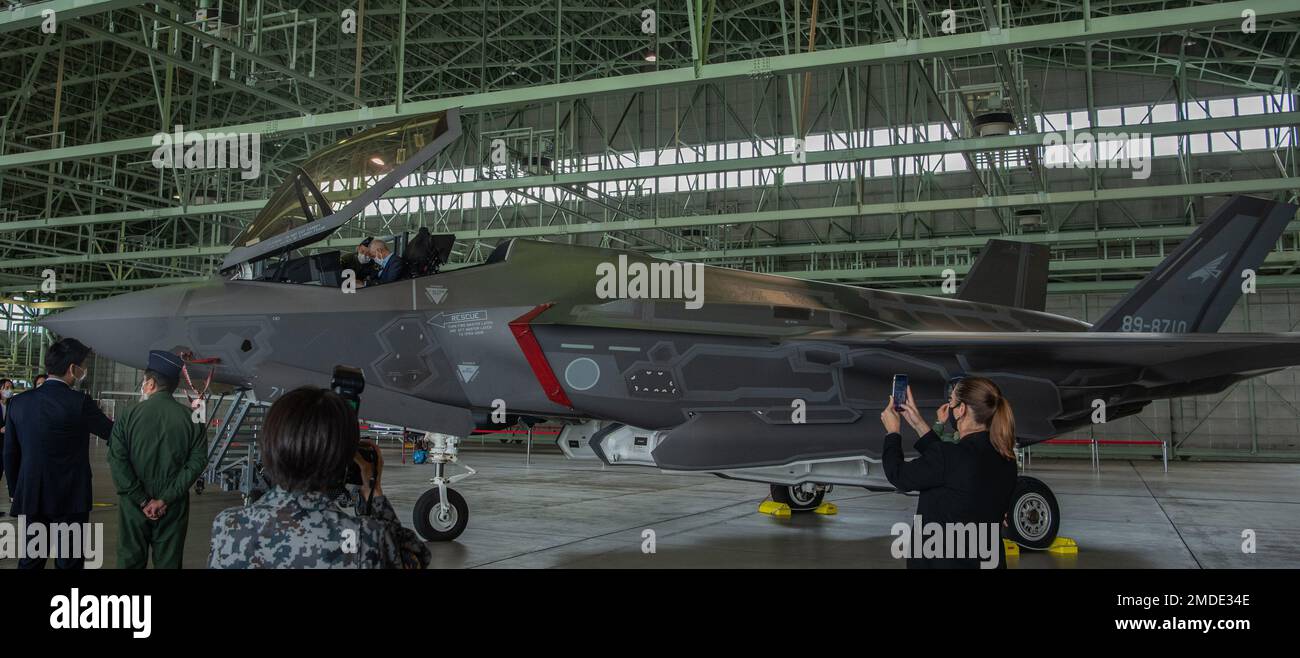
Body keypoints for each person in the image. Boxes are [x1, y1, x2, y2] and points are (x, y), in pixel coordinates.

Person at [208, 386, 430, 569]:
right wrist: (374, 492)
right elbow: (416, 559)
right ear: (343, 459)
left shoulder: (228, 526)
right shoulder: (365, 536)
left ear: (270, 446)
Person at [879, 376, 1018, 569]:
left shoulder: (950, 457)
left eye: (951, 402)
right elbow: (952, 466)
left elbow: (898, 475)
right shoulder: (1006, 458)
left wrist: (893, 433)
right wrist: (918, 423)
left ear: (961, 410)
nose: (949, 407)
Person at [3, 338, 114, 568]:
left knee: (31, 560)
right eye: (83, 366)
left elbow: (10, 453)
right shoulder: (80, 402)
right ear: (73, 369)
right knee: (69, 563)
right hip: (71, 497)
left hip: (32, 494)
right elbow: (112, 434)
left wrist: (16, 491)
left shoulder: (19, 403)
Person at [107, 351, 209, 568]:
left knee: (130, 561)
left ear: (151, 383)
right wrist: (165, 499)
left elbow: (117, 460)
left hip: (133, 503)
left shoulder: (128, 415)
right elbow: (198, 462)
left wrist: (142, 499)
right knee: (169, 563)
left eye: (144, 382)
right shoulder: (192, 420)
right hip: (173, 504)